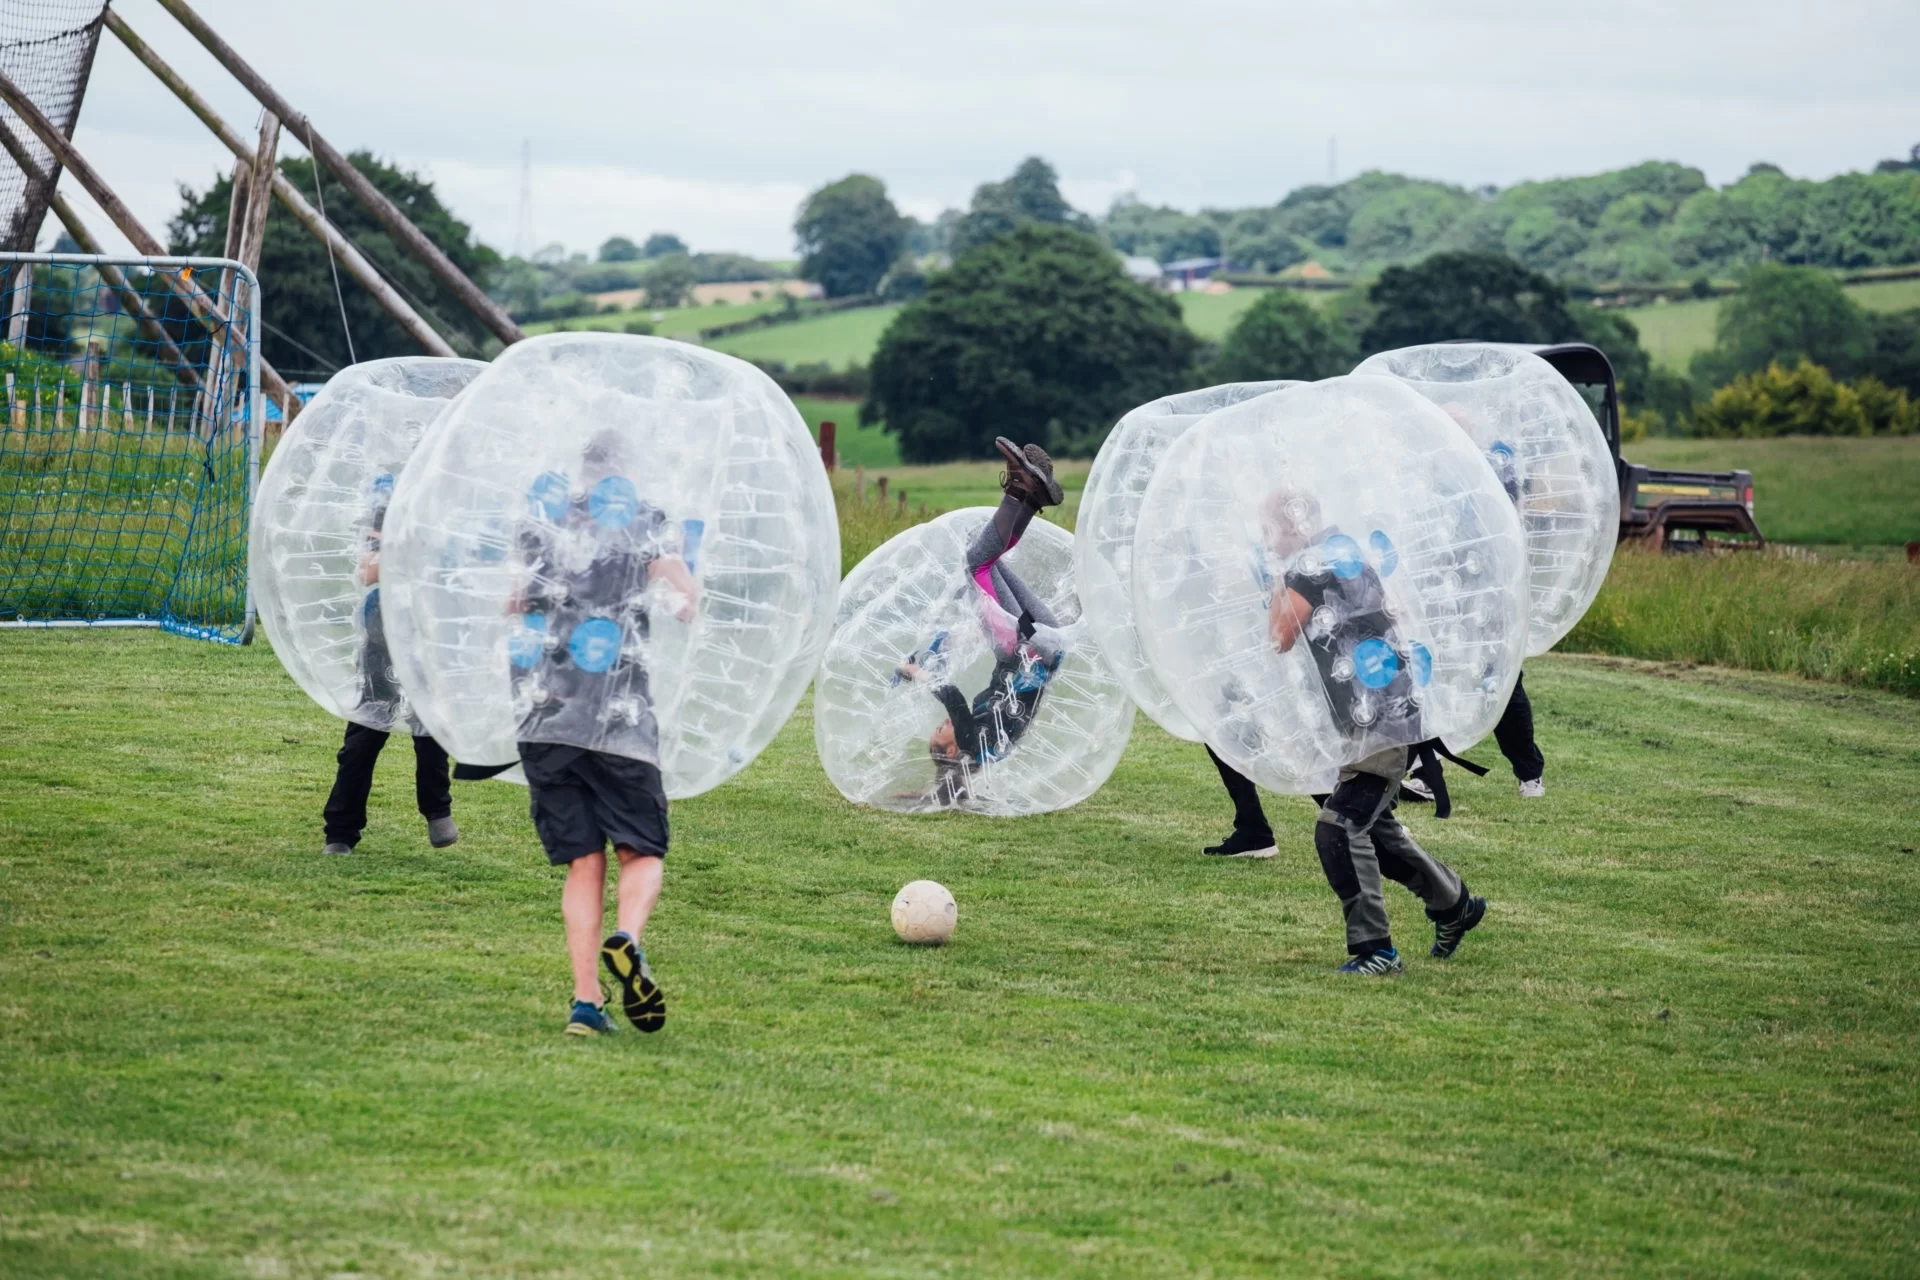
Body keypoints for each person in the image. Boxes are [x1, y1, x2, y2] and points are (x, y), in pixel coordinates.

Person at [497, 430, 701, 1037]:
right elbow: (683, 598)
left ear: (582, 471)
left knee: (583, 863)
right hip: (620, 720)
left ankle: (586, 1002)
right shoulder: (645, 520)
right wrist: (681, 598)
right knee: (641, 851)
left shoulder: (541, 524)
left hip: (545, 715)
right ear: (625, 470)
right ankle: (627, 938)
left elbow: (511, 602)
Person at [1262, 488, 1486, 975]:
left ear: (1295, 524)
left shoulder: (1311, 568)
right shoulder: (1344, 552)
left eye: (1270, 530)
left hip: (1380, 719)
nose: (1266, 540)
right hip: (1383, 711)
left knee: (1339, 828)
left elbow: (1279, 636)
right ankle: (1455, 904)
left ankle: (1377, 951)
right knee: (1377, 834)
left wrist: (1276, 576)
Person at [893, 438, 1066, 807]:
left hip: (1040, 642)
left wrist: (974, 635)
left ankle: (1033, 497)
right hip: (1028, 645)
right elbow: (953, 698)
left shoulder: (987, 744)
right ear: (953, 751)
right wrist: (914, 672)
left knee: (988, 561)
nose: (942, 725)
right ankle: (1020, 490)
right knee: (976, 564)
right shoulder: (974, 746)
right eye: (940, 733)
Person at [321, 474, 458, 857]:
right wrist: (399, 546)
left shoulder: (437, 528)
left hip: (425, 641)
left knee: (429, 732)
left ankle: (437, 812)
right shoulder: (378, 530)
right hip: (380, 645)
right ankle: (340, 832)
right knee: (363, 739)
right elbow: (367, 572)